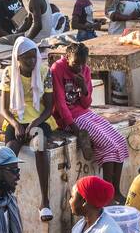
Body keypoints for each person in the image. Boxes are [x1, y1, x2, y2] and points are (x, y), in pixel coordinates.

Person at [50, 42, 129, 196]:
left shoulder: (84, 70)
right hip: (69, 119)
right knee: (108, 145)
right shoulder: (57, 69)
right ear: (67, 57)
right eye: (75, 64)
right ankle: (107, 195)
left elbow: (86, 104)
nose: (79, 67)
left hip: (84, 112)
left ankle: (116, 191)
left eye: (82, 64)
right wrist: (76, 130)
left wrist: (83, 88)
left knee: (119, 140)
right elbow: (60, 103)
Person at [1, 36, 56, 222]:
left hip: (38, 120)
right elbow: (4, 109)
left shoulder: (44, 72)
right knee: (9, 151)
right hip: (17, 119)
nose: (32, 61)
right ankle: (5, 197)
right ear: (18, 58)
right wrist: (16, 125)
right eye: (27, 58)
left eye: (34, 57)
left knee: (40, 145)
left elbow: (48, 108)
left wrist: (35, 123)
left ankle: (45, 201)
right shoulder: (9, 73)